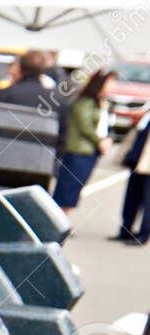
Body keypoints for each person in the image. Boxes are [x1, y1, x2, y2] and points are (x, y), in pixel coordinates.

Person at [53, 69, 112, 212]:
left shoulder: (100, 102)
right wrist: (99, 140)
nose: (112, 87)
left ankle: (64, 219)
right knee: (68, 187)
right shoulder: (85, 101)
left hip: (90, 150)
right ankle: (58, 221)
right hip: (79, 150)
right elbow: (85, 125)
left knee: (75, 187)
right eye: (110, 83)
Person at [115, 109, 150, 243]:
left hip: (147, 163)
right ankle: (125, 230)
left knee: (148, 200)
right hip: (137, 159)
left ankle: (143, 235)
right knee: (131, 196)